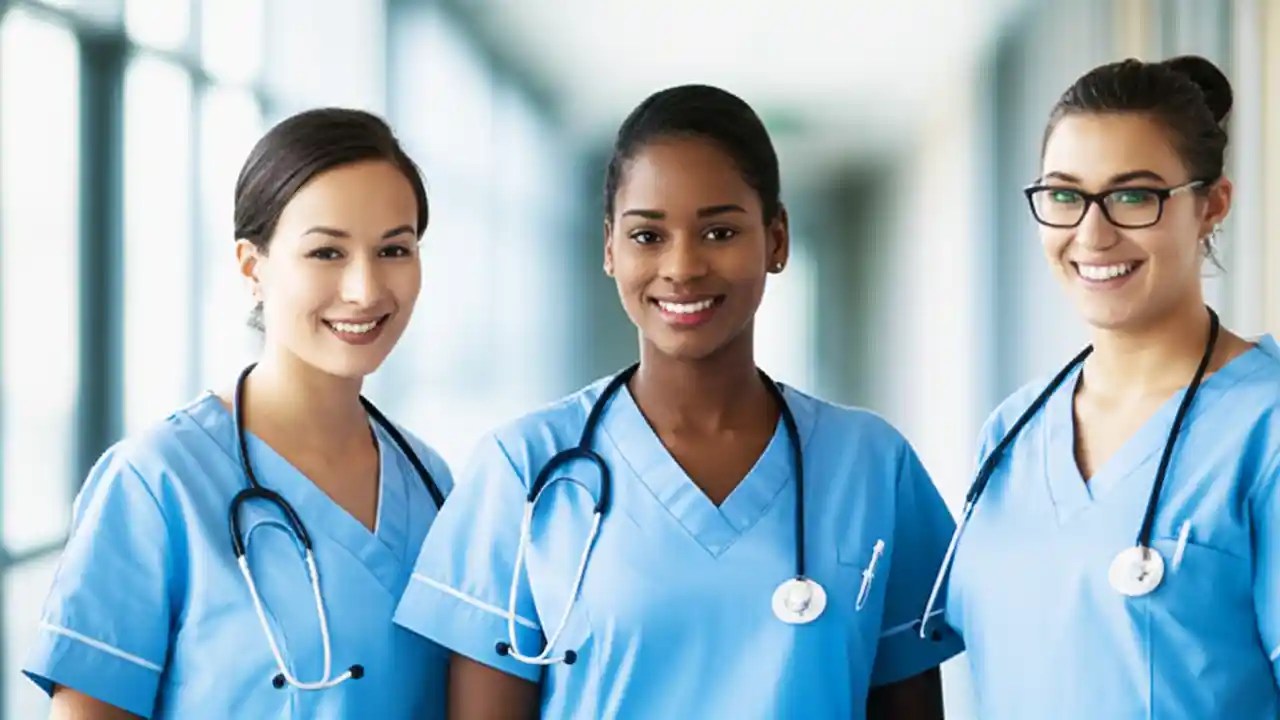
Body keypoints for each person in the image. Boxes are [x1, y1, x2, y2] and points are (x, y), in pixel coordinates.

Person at [393, 84, 963, 719]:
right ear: (609, 247)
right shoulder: (522, 469)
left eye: (720, 231)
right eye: (648, 236)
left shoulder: (872, 466)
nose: (683, 266)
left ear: (777, 239)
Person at [24, 108, 453, 719]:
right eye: (327, 252)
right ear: (254, 267)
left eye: (394, 249)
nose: (365, 288)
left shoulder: (432, 483)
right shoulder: (156, 483)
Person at [931, 56, 1280, 718]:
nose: (1091, 233)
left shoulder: (1265, 429)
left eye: (1133, 196)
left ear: (1211, 205)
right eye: (1064, 195)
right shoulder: (1012, 432)